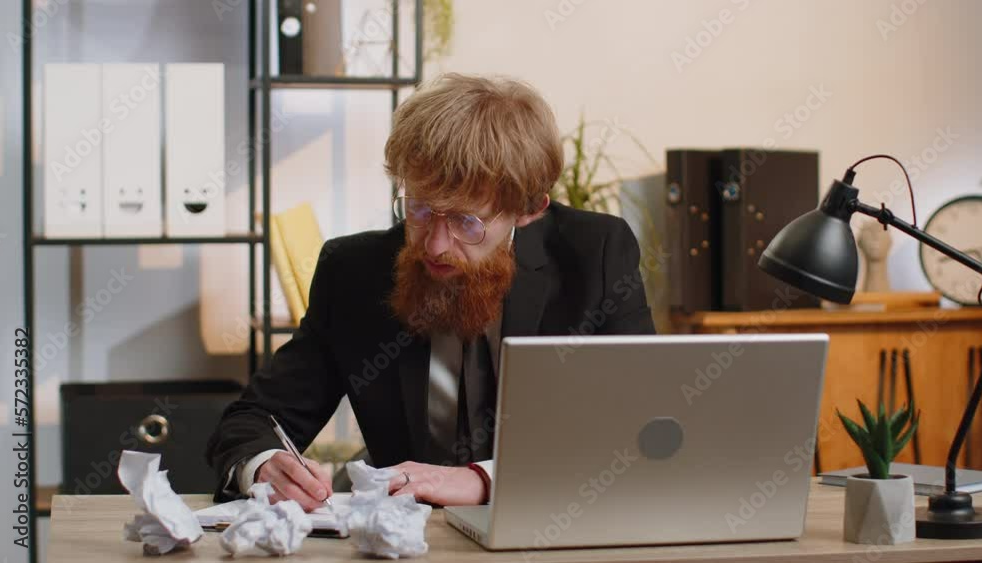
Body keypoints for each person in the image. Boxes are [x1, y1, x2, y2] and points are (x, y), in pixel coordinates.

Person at [205, 73, 656, 511]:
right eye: (420, 209)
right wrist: (265, 466)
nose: (435, 246)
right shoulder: (354, 272)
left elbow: (641, 428)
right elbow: (252, 421)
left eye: (466, 222)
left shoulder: (594, 255)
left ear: (528, 209)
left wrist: (482, 480)